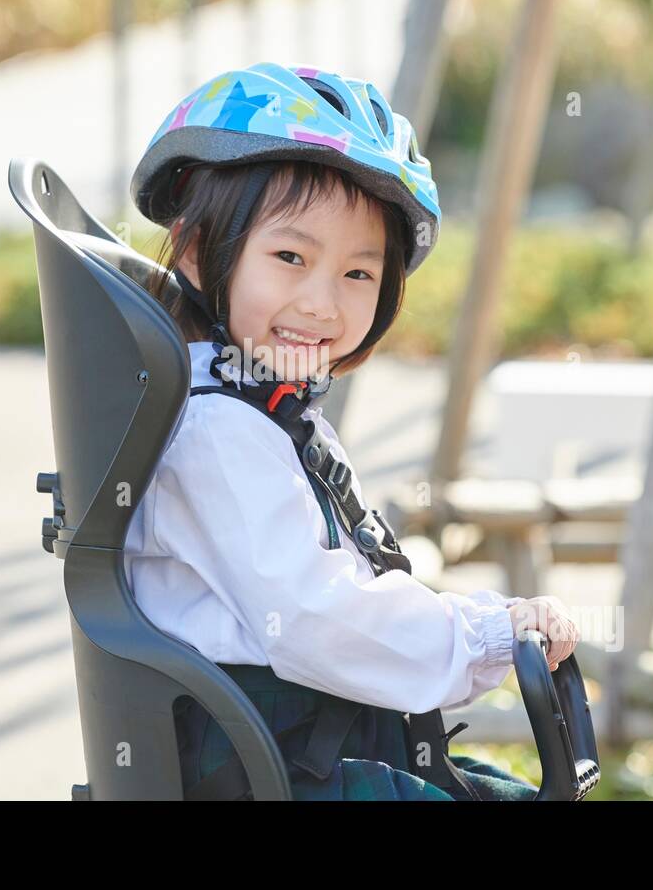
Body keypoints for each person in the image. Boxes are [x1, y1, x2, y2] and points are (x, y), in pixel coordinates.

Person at [123, 61, 580, 800]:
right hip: (268, 771)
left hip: (308, 751)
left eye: (358, 274)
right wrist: (487, 633)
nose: (322, 303)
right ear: (203, 252)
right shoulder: (215, 429)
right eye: (291, 257)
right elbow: (315, 618)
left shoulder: (264, 409)